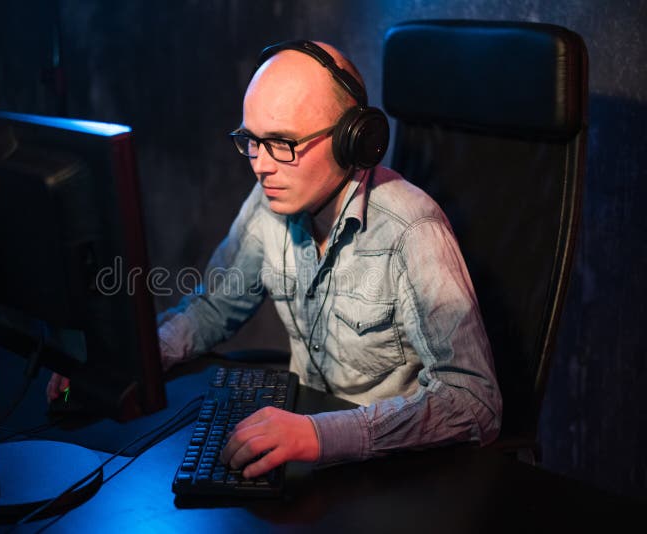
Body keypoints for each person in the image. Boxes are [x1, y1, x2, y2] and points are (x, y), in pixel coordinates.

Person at [47, 40, 502, 479]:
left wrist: (322, 435)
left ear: (354, 141)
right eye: (252, 141)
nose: (261, 164)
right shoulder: (270, 201)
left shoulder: (413, 230)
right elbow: (213, 308)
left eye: (281, 143)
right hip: (307, 447)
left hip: (397, 472)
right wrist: (131, 364)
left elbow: (473, 401)